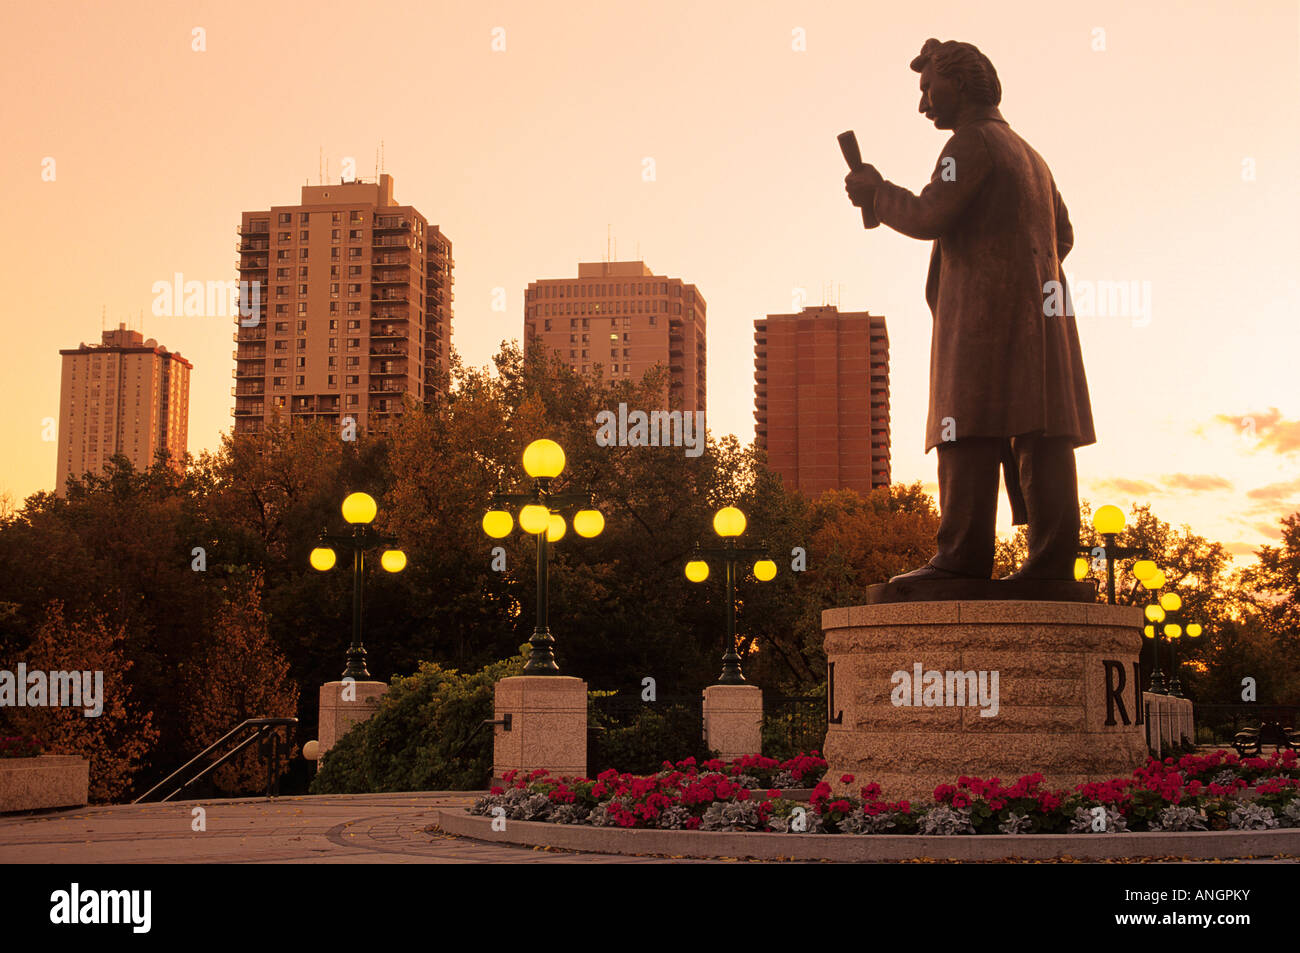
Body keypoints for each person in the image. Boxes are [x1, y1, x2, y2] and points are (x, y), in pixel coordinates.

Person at [844, 38, 1096, 582]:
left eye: (928, 88)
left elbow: (931, 214)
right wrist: (1024, 277)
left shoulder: (970, 144)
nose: (923, 104)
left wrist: (876, 190)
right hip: (1040, 318)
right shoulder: (1033, 157)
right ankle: (1052, 567)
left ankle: (961, 559)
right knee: (1042, 433)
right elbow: (1064, 235)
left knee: (964, 427)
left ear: (959, 82)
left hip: (985, 319)